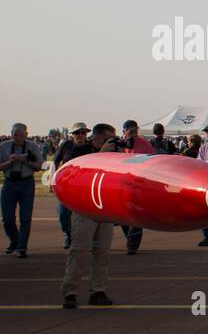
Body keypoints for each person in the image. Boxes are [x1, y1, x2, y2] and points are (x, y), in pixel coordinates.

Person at [60, 123, 118, 308]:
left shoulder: (112, 154)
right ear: (99, 138)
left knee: (103, 253)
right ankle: (70, 292)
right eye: (110, 139)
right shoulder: (79, 151)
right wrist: (101, 153)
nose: (113, 143)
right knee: (79, 251)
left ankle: (98, 290)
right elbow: (74, 170)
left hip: (105, 208)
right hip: (84, 208)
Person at [1, 123, 43, 257]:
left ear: (26, 134)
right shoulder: (4, 146)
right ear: (11, 134)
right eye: (15, 135)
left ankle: (22, 247)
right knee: (7, 218)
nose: (18, 138)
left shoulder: (33, 146)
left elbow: (39, 166)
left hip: (26, 183)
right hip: (9, 183)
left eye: (21, 135)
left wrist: (24, 161)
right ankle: (15, 240)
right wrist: (10, 162)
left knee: (25, 217)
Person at [53, 122, 90, 248]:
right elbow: (55, 162)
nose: (80, 135)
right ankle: (67, 234)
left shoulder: (91, 147)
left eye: (83, 132)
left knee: (85, 215)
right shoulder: (65, 145)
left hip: (85, 186)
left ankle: (84, 238)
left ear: (86, 134)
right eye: (77, 133)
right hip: (67, 185)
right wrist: (52, 180)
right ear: (72, 134)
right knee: (63, 213)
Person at [116, 119, 149, 254]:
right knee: (124, 215)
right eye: (130, 130)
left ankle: (132, 246)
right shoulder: (118, 144)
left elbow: (153, 159)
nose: (133, 133)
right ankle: (130, 239)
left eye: (135, 130)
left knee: (136, 215)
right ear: (124, 132)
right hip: (122, 183)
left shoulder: (144, 144)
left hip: (139, 184)